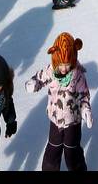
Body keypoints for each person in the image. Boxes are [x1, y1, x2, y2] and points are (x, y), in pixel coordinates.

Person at [25, 32, 92, 171]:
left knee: (72, 151)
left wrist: (85, 109)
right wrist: (34, 83)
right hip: (55, 119)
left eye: (67, 65)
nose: (64, 69)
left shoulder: (77, 74)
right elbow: (40, 78)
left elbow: (83, 94)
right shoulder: (51, 71)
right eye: (61, 65)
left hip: (73, 120)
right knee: (53, 149)